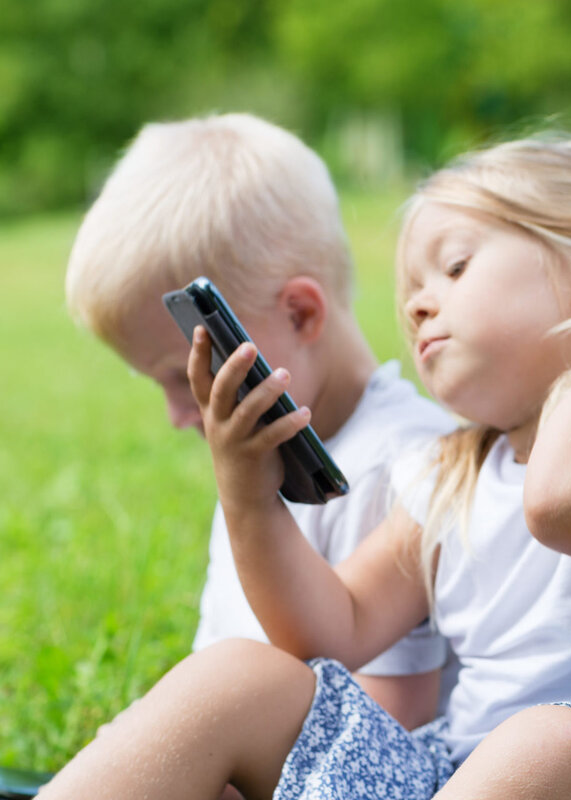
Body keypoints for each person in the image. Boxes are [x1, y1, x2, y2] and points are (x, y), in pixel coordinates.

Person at [41, 132, 571, 800]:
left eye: (454, 267)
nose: (418, 307)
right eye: (411, 294)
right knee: (238, 674)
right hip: (448, 780)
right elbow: (329, 635)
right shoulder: (452, 474)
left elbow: (568, 503)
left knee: (550, 741)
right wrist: (250, 499)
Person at [63, 113, 455, 728]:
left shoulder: (403, 470)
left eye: (186, 378)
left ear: (300, 315)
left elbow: (392, 726)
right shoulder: (257, 465)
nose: (177, 414)